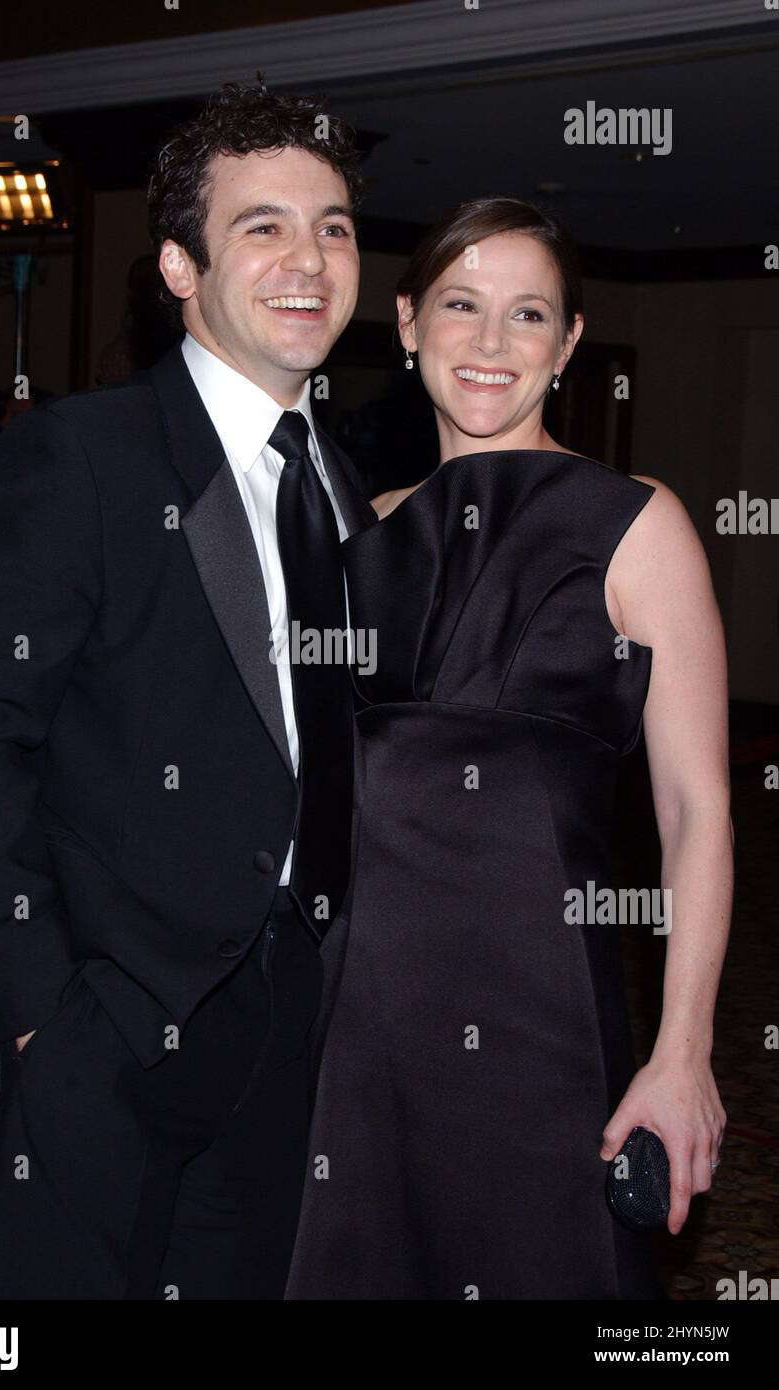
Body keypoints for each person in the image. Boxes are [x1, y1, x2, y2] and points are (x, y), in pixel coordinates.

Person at [0, 82, 376, 1299]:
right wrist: (38, 1009)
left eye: (332, 226)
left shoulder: (339, 482)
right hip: (92, 1016)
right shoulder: (81, 454)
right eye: (262, 225)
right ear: (178, 264)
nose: (308, 259)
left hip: (279, 1020)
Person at [285, 196, 733, 1300]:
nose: (490, 344)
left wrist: (683, 1052)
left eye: (526, 314)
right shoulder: (350, 531)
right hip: (358, 1020)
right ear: (405, 322)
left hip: (539, 1016)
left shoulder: (634, 519)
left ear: (569, 342)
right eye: (461, 306)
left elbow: (698, 809)